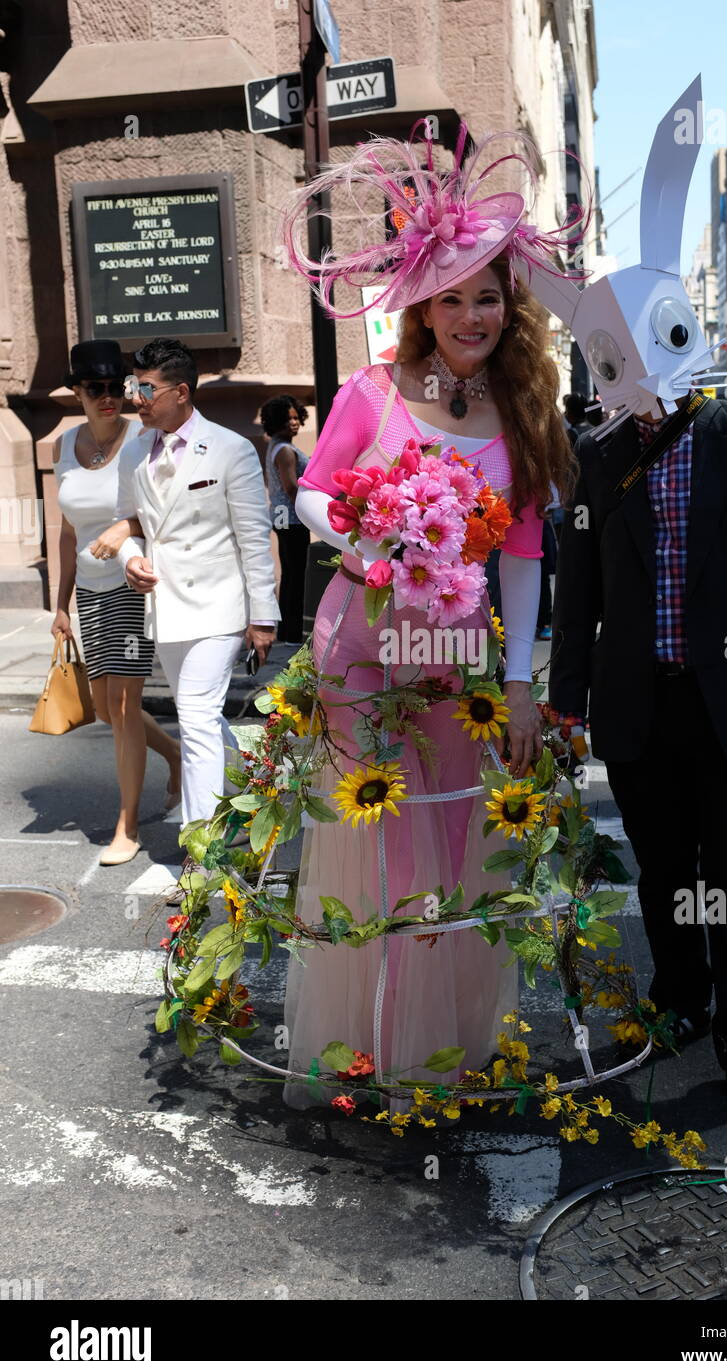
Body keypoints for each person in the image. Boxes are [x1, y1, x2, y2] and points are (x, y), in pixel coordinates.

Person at [548, 75, 727, 1139]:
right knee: (664, 868)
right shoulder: (598, 454)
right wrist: (568, 693)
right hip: (638, 706)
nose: (619, 367)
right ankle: (679, 1000)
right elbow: (578, 585)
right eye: (599, 349)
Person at [279, 121, 582, 1104]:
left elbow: (526, 556)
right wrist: (377, 537)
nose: (470, 315)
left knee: (452, 845)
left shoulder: (521, 409)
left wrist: (524, 682)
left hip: (457, 654)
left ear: (507, 302)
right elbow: (312, 496)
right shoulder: (372, 393)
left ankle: (434, 1049)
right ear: (422, 304)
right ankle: (367, 1051)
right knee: (380, 839)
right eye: (450, 297)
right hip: (362, 641)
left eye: (485, 295)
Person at [111, 338, 280, 830]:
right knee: (202, 716)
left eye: (145, 388)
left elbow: (254, 537)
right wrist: (129, 559)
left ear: (181, 392)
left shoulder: (232, 448)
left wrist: (263, 617)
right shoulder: (133, 453)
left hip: (220, 607)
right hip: (165, 606)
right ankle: (254, 783)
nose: (134, 398)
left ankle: (201, 849)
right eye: (132, 386)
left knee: (195, 713)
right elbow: (128, 523)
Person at [51, 340, 180, 866]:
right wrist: (60, 604)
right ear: (77, 392)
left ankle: (128, 827)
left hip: (132, 582)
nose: (109, 398)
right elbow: (65, 531)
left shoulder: (145, 440)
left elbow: (168, 512)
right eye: (95, 388)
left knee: (125, 705)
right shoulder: (63, 445)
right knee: (105, 708)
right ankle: (174, 755)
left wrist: (124, 528)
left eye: (116, 387)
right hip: (89, 590)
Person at [260, 394, 310, 645]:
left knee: (290, 574)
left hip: (281, 518)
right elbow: (292, 488)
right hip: (292, 519)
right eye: (287, 418)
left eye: (295, 417)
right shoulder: (286, 451)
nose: (294, 422)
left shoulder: (275, 446)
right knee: (295, 576)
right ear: (276, 421)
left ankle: (288, 631)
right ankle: (291, 633)